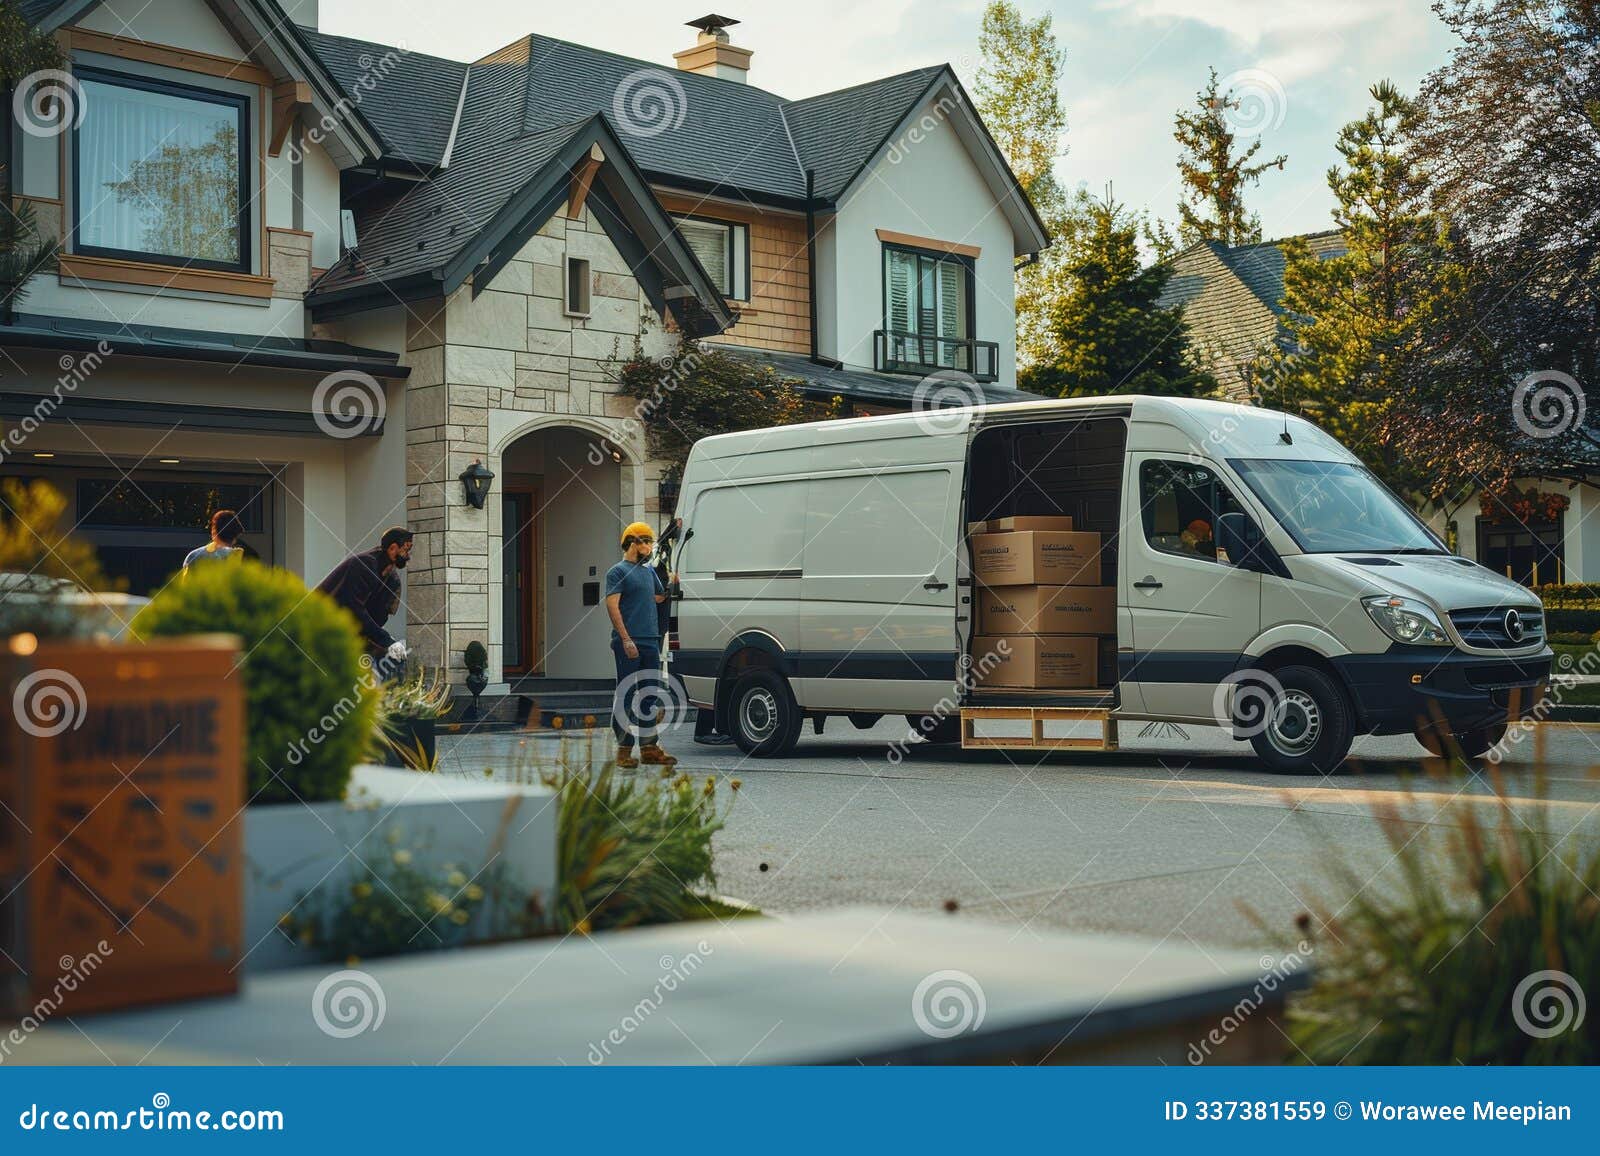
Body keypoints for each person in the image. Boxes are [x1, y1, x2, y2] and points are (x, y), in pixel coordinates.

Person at [606, 521, 676, 769]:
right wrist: (625, 639)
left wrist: (671, 584)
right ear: (632, 543)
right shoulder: (617, 572)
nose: (649, 546)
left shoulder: (648, 573)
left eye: (650, 541)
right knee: (626, 694)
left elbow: (657, 597)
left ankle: (649, 749)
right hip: (629, 642)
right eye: (645, 541)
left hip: (651, 641)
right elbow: (612, 606)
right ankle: (624, 750)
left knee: (649, 694)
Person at [317, 526, 414, 672]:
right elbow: (353, 608)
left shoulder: (391, 580)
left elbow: (376, 619)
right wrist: (386, 640)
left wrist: (384, 644)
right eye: (406, 550)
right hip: (320, 628)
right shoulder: (364, 564)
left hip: (347, 638)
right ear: (393, 548)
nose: (408, 556)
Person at [182, 509, 245, 575]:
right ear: (236, 534)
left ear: (213, 529)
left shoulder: (193, 556)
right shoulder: (239, 558)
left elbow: (186, 583)